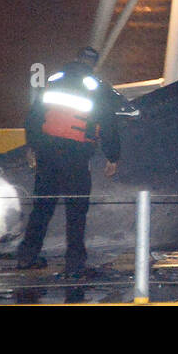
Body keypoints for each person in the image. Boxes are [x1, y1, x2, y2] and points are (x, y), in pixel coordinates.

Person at [15, 47, 122, 278]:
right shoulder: (96, 87)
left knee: (42, 208)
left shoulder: (54, 81)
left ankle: (27, 256)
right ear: (94, 64)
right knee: (76, 211)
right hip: (75, 156)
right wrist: (112, 156)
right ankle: (74, 264)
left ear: (75, 59)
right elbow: (108, 124)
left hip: (47, 154)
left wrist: (32, 147)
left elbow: (34, 117)